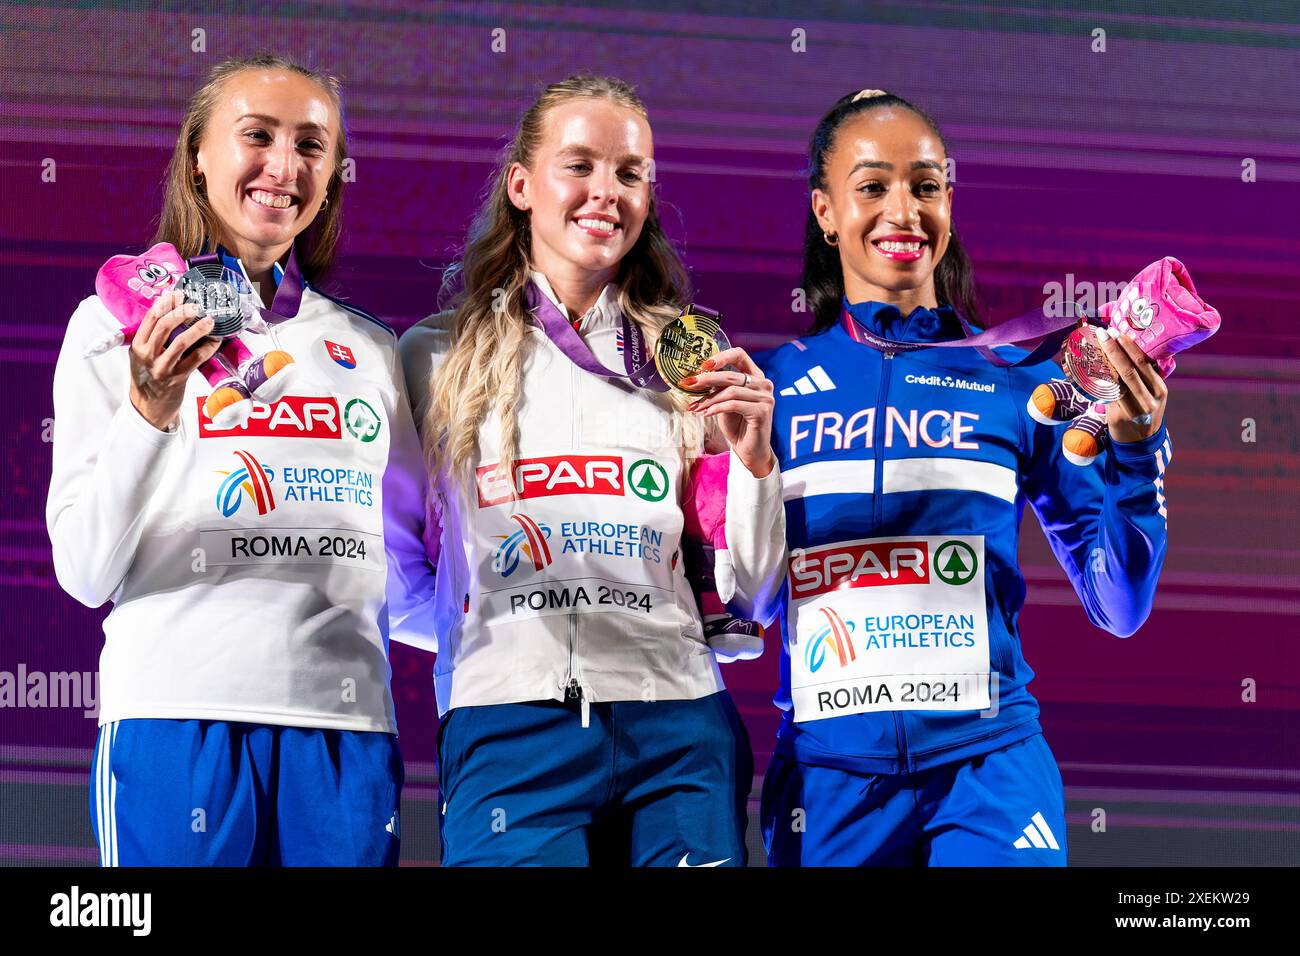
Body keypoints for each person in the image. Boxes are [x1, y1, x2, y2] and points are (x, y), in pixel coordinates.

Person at [756, 90, 1173, 866]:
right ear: (824, 210)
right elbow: (732, 601)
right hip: (828, 787)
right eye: (873, 186)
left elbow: (1119, 606)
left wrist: (1136, 449)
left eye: (926, 185)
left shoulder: (1022, 383)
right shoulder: (767, 390)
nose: (903, 211)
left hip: (991, 778)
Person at [46, 54, 435, 866]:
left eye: (312, 145)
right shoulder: (108, 327)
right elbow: (84, 572)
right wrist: (151, 404)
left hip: (345, 733)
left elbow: (412, 579)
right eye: (256, 136)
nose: (283, 168)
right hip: (175, 719)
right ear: (198, 155)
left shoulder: (367, 348)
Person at [399, 74, 786, 867]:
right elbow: (397, 566)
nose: (604, 192)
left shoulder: (691, 359)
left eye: (630, 172)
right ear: (521, 185)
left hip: (677, 724)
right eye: (579, 165)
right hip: (508, 726)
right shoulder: (433, 358)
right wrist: (490, 640)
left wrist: (753, 463)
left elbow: (751, 590)